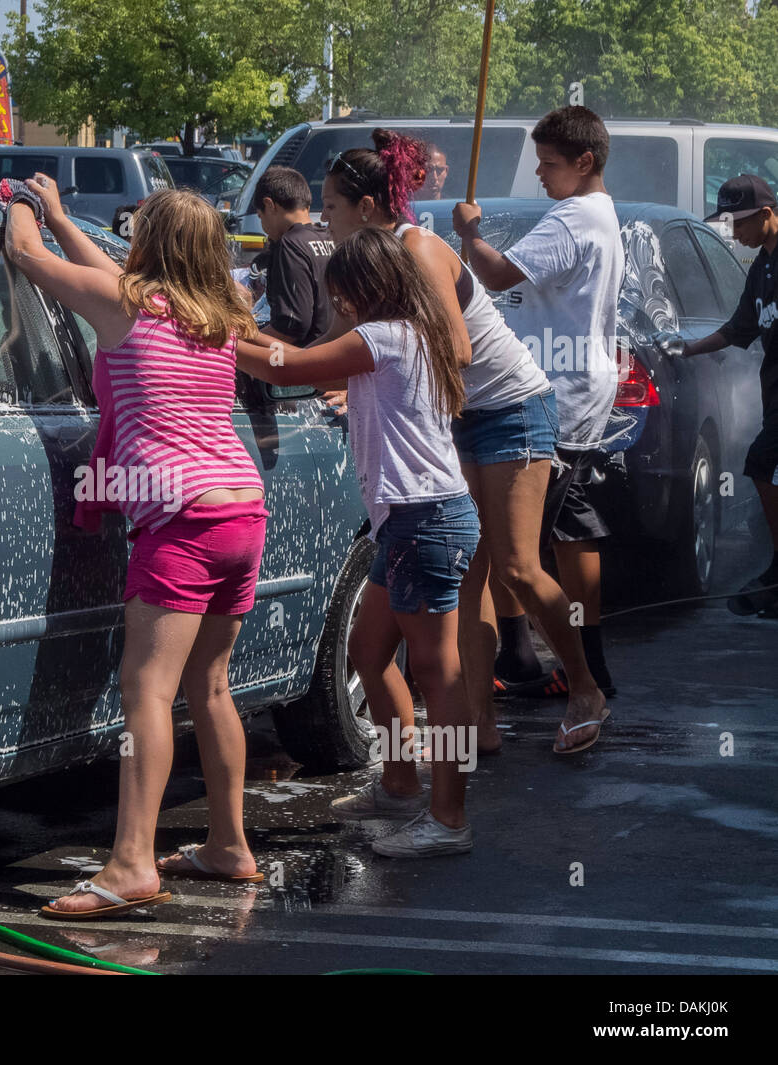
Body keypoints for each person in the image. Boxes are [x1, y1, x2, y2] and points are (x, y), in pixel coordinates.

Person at [2, 178, 271, 917]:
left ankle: (130, 863)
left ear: (150, 242)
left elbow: (24, 256)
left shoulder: (128, 307)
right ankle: (228, 844)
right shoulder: (216, 319)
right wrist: (61, 214)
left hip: (181, 519)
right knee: (210, 686)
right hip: (241, 509)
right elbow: (104, 278)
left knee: (146, 690)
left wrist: (23, 200)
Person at [319, 128, 606, 756]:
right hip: (458, 415)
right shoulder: (365, 262)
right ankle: (476, 724)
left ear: (367, 208)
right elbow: (332, 350)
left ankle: (585, 687)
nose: (324, 217)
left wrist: (380, 371)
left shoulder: (418, 250)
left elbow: (459, 347)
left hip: (511, 408)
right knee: (469, 574)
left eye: (332, 206)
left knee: (517, 568)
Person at [237, 227, 479, 856]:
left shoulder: (383, 337)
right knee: (369, 652)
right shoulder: (407, 334)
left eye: (338, 287)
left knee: (437, 673)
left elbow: (282, 365)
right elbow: (301, 359)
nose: (334, 299)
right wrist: (242, 328)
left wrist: (221, 331)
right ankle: (400, 785)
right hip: (411, 522)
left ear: (360, 287)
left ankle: (449, 819)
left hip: (425, 522)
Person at [453, 106, 623, 753]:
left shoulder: (577, 215)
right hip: (558, 394)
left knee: (518, 563)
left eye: (549, 164)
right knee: (491, 559)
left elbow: (497, 274)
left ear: (584, 162)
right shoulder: (602, 214)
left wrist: (471, 234)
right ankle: (493, 701)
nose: (539, 174)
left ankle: (584, 681)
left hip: (551, 399)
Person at [665, 174, 778, 616]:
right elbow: (738, 330)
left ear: (767, 213)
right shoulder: (762, 268)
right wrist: (687, 348)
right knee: (765, 468)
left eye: (740, 223)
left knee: (760, 463)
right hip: (774, 395)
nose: (734, 233)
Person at [252, 166, 336, 345]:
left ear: (269, 205)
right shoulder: (331, 237)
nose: (263, 227)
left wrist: (242, 342)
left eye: (260, 216)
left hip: (302, 360)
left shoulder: (290, 244)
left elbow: (291, 325)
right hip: (333, 356)